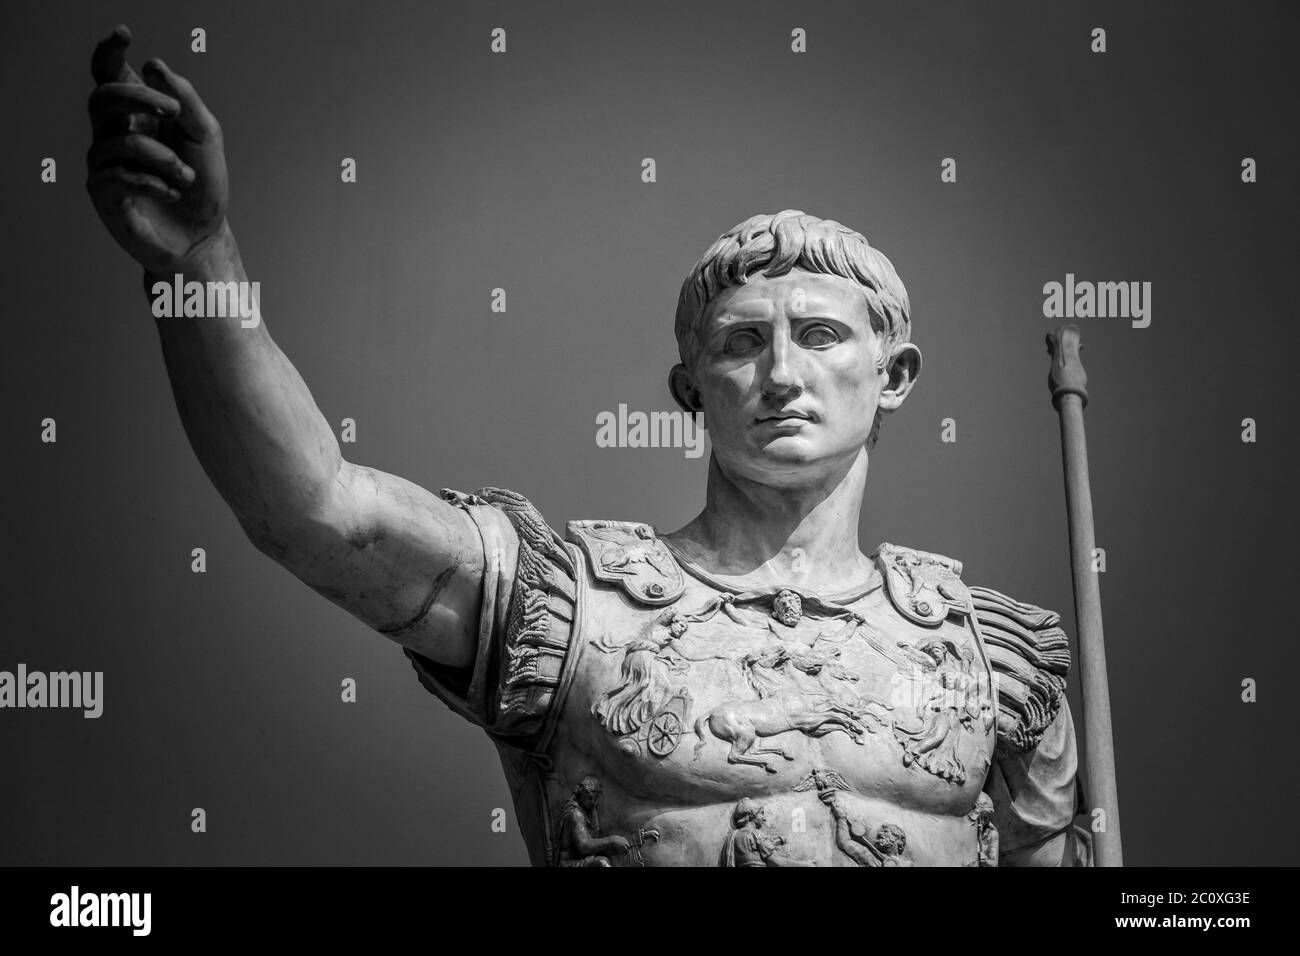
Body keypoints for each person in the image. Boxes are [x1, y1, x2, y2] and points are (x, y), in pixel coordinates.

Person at [86, 26, 1082, 866]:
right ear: (688, 389)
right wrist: (200, 262)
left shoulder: (991, 653)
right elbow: (316, 509)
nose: (782, 372)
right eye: (741, 343)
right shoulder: (568, 606)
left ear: (895, 375)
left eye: (821, 335)